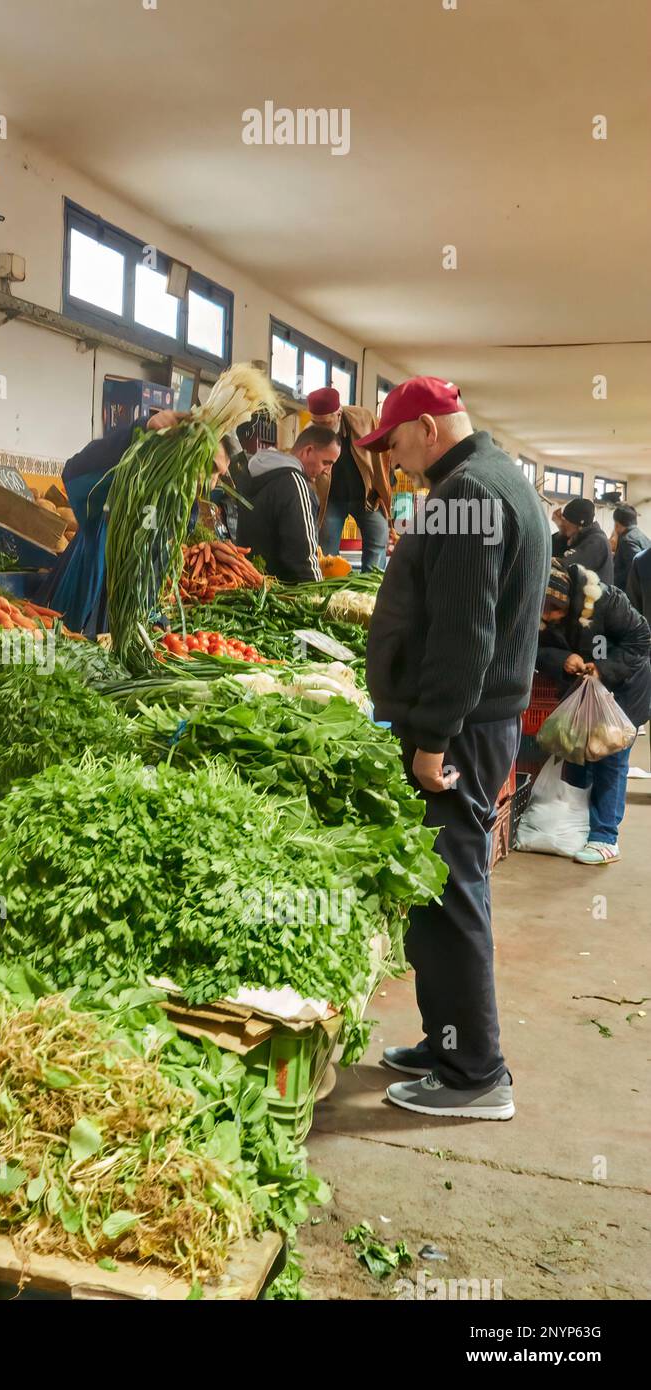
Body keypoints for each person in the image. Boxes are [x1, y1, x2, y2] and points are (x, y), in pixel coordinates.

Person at [360, 377, 549, 1122]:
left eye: (397, 444)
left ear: (430, 429)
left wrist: (433, 738)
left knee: (451, 893)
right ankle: (446, 1044)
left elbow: (465, 636)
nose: (395, 461)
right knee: (438, 891)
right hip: (478, 722)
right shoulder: (498, 480)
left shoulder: (470, 496)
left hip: (463, 729)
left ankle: (476, 1074)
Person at [536, 558, 651, 863]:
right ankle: (579, 824)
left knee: (610, 758)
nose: (547, 618)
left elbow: (641, 640)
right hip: (582, 692)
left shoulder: (607, 601)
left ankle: (605, 837)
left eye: (552, 610)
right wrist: (563, 657)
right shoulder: (544, 614)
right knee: (577, 755)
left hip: (622, 691)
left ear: (566, 600)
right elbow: (535, 648)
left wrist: (603, 668)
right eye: (543, 612)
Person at [43, 408, 188, 635]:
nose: (211, 482)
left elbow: (153, 568)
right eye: (212, 469)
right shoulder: (110, 493)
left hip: (124, 632)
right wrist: (140, 427)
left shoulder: (171, 509)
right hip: (80, 618)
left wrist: (154, 615)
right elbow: (74, 470)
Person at [305, 386, 391, 571]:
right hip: (331, 500)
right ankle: (329, 591)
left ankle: (370, 591)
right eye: (316, 424)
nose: (321, 430)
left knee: (379, 535)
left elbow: (383, 454)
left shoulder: (364, 420)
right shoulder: (309, 433)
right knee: (325, 547)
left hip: (366, 496)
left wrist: (385, 484)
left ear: (339, 413)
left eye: (326, 424)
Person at [240, 425, 340, 582]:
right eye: (326, 462)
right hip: (282, 590)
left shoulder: (250, 472)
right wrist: (317, 592)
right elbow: (303, 555)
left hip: (248, 583)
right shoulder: (295, 483)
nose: (327, 471)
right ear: (308, 451)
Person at [555, 498, 612, 583]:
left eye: (565, 520)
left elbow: (564, 566)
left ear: (578, 523)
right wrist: (561, 532)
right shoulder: (582, 537)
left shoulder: (597, 542)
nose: (563, 523)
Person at [611, 504, 650, 594]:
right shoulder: (641, 535)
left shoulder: (627, 541)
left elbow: (633, 570)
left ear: (617, 524)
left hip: (631, 596)